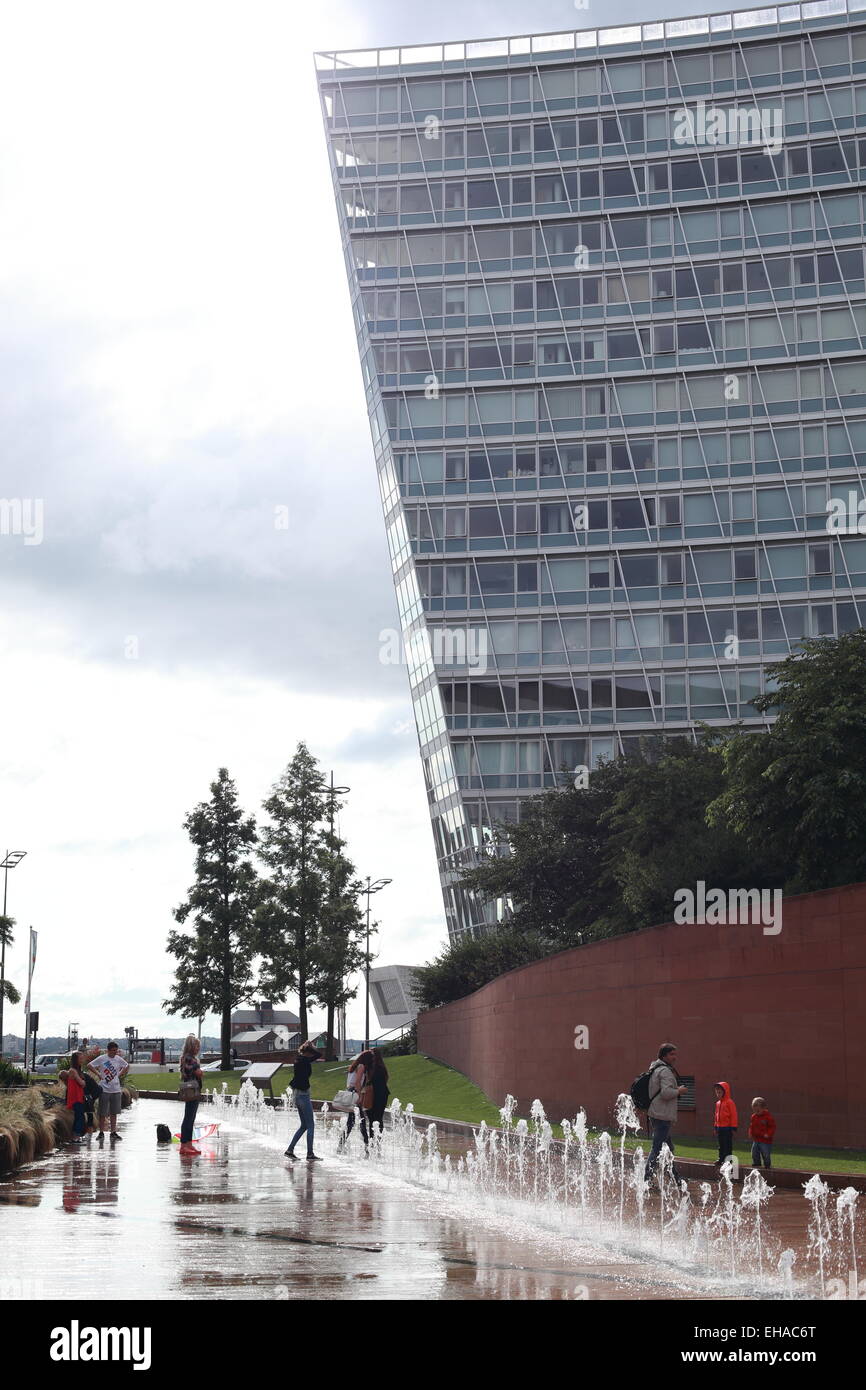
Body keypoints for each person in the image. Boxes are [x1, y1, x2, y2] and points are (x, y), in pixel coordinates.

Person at [643, 1043, 687, 1182]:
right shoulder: (665, 1071)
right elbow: (666, 1093)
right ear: (664, 1056)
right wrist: (679, 1091)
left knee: (668, 1148)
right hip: (662, 1115)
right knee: (657, 1149)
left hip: (656, 1113)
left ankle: (675, 1177)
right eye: (672, 1054)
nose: (675, 1057)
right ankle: (646, 1179)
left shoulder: (655, 1068)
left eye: (675, 1054)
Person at [285, 1041, 322, 1162]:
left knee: (304, 1125)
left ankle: (290, 1150)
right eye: (310, 1052)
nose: (312, 1056)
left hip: (296, 1094)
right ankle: (310, 1154)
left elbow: (315, 1056)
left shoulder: (298, 1060)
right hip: (303, 1094)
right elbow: (318, 1054)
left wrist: (308, 1046)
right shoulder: (305, 1060)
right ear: (308, 1052)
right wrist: (312, 1046)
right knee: (310, 1125)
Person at [87, 1041, 129, 1143]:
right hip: (105, 1089)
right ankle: (101, 1132)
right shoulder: (102, 1058)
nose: (115, 1052)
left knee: (114, 1112)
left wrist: (119, 1074)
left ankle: (113, 1132)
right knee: (103, 1112)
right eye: (113, 1050)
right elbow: (89, 1065)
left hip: (116, 1089)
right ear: (108, 1050)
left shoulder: (118, 1059)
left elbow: (127, 1065)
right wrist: (98, 1073)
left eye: (116, 1050)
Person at [178, 1035, 203, 1156]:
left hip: (191, 1090)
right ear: (191, 1046)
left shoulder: (186, 1058)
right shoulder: (190, 1059)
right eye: (196, 1046)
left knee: (190, 1118)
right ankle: (184, 1145)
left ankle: (188, 1143)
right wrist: (200, 1071)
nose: (198, 1048)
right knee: (189, 1118)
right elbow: (196, 1073)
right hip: (192, 1090)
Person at [338, 1052, 369, 1151]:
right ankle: (367, 1145)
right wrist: (359, 1095)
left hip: (350, 1091)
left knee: (351, 1122)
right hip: (354, 1093)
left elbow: (350, 1082)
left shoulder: (354, 1066)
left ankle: (341, 1144)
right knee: (361, 1120)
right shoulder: (361, 1066)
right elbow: (357, 1082)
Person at [366, 1048, 390, 1141]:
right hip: (381, 1093)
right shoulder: (381, 1067)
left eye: (371, 1054)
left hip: (376, 1094)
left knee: (375, 1118)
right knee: (376, 1118)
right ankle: (376, 1140)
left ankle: (375, 1140)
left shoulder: (374, 1067)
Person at [713, 1081, 738, 1167]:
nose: (718, 1094)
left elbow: (733, 1114)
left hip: (727, 1128)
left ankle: (728, 1161)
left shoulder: (729, 1102)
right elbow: (716, 1116)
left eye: (719, 1092)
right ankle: (721, 1158)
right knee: (721, 1145)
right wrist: (716, 1126)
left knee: (727, 1145)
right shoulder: (718, 1103)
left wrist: (733, 1126)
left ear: (725, 1092)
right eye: (716, 1092)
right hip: (720, 1128)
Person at [748, 1095, 776, 1170]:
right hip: (756, 1139)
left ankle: (767, 1165)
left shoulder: (768, 1117)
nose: (756, 1111)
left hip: (765, 1140)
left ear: (763, 1108)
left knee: (765, 1153)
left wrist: (768, 1134)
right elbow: (751, 1126)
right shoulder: (753, 1117)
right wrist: (750, 1132)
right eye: (754, 1110)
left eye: (758, 1110)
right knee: (754, 1152)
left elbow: (772, 1127)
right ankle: (757, 1163)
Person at [65, 1051, 87, 1143]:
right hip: (75, 1098)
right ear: (76, 1060)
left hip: (79, 1097)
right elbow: (82, 1083)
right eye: (80, 1058)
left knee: (79, 1116)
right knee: (79, 1117)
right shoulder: (73, 1071)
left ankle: (76, 1136)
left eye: (82, 1058)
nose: (82, 1060)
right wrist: (83, 1082)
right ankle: (75, 1136)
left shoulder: (78, 1070)